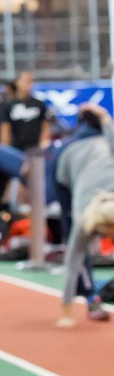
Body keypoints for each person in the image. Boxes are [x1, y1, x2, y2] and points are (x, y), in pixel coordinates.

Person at [55, 102, 114, 327]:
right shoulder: (106, 143)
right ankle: (84, 300)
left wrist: (66, 313)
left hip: (86, 211)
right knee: (74, 254)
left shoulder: (68, 149)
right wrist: (105, 116)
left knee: (74, 255)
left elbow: (62, 182)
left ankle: (69, 310)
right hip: (101, 208)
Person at [0, 70, 51, 243]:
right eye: (25, 81)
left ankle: (37, 231)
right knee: (1, 194)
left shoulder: (39, 105)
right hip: (15, 155)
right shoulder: (8, 105)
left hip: (35, 156)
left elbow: (45, 130)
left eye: (31, 81)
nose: (29, 84)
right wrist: (6, 155)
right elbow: (5, 133)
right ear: (17, 82)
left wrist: (40, 152)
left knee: (34, 193)